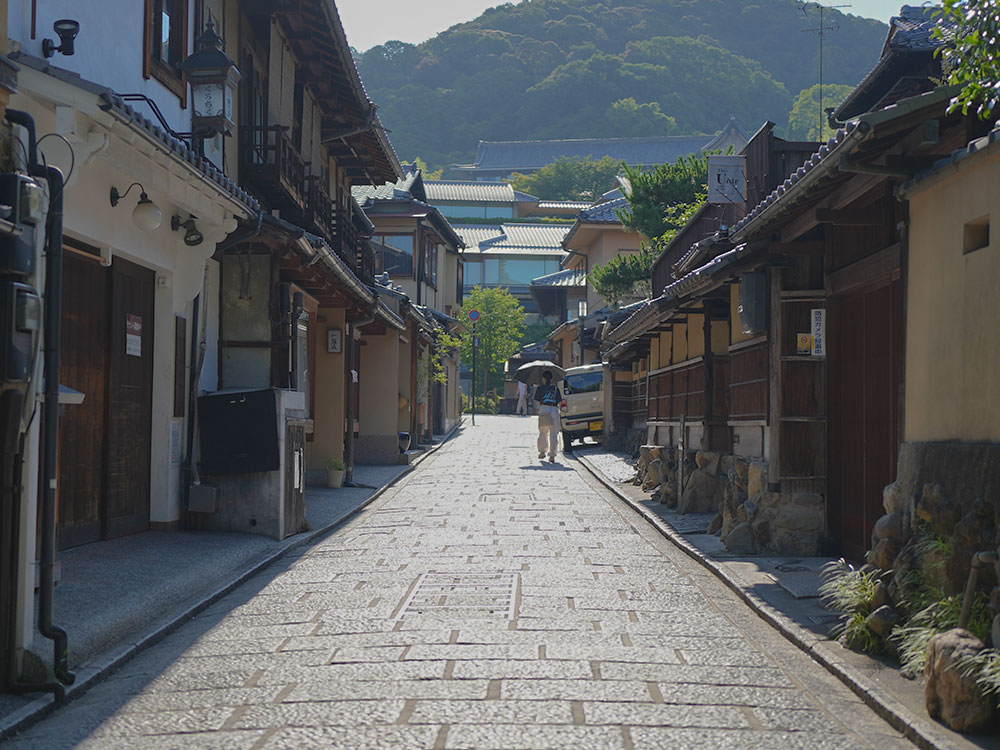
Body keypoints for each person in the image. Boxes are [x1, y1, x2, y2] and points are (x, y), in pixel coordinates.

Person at [533, 370, 561, 463]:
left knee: (543, 433)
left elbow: (537, 402)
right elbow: (559, 401)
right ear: (552, 378)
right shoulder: (555, 389)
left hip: (544, 409)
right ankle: (552, 455)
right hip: (554, 409)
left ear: (543, 379)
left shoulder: (540, 388)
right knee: (554, 434)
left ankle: (542, 452)